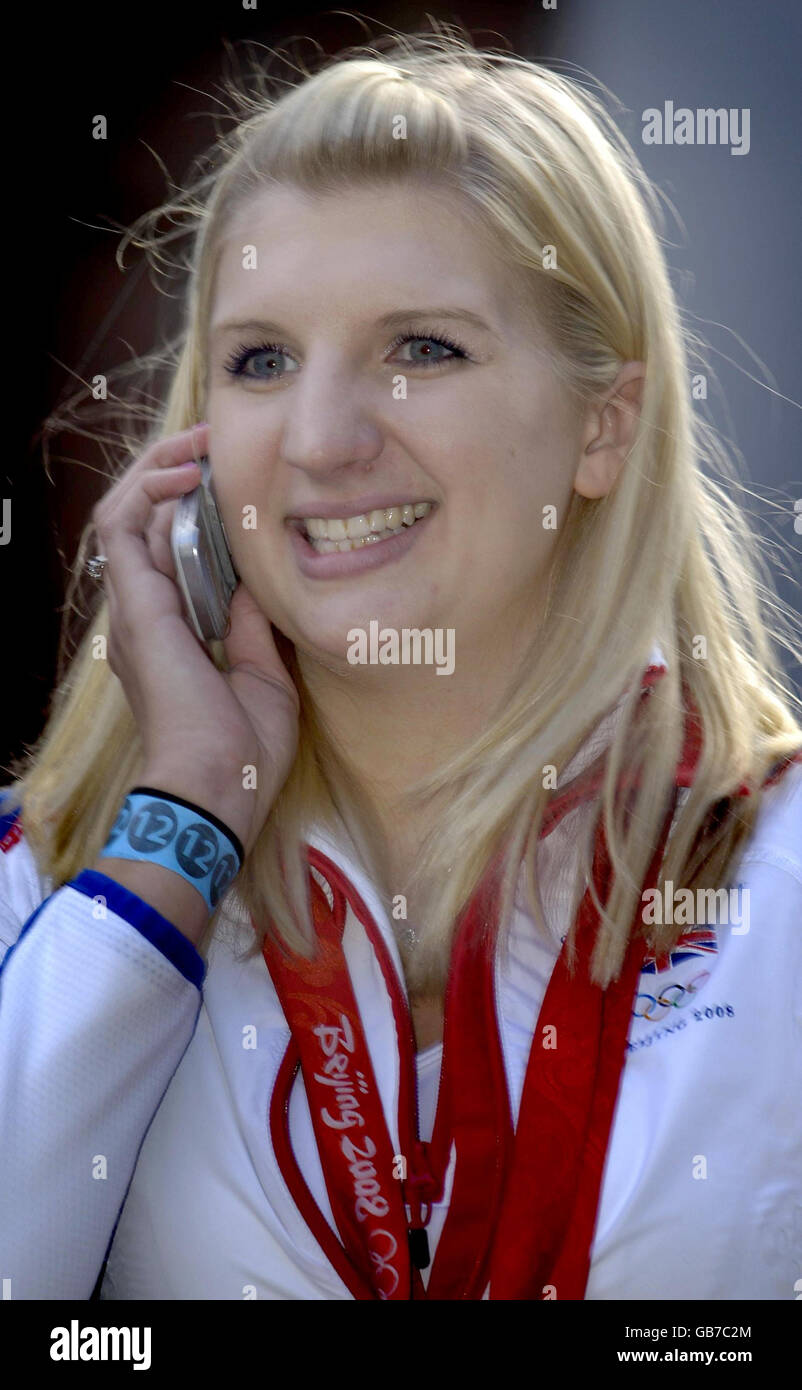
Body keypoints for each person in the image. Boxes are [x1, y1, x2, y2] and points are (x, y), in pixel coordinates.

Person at [1, 29, 800, 1302]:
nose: (318, 441)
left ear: (605, 424)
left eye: (421, 349)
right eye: (261, 360)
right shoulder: (59, 884)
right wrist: (188, 812)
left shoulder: (780, 879)